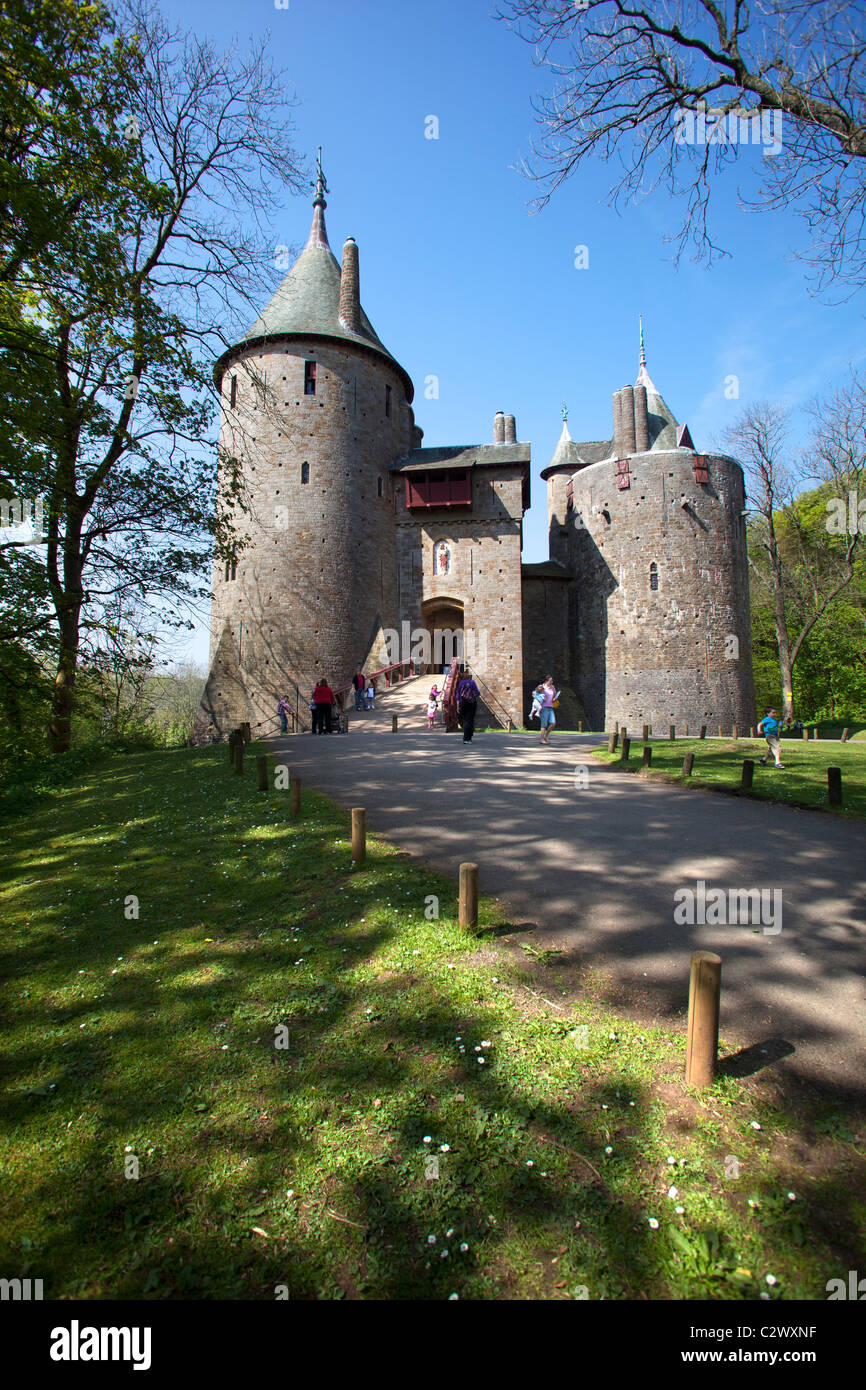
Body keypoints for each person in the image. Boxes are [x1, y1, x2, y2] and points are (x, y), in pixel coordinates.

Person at [456, 670, 480, 743]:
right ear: (469, 676)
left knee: (466, 720)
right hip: (471, 703)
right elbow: (477, 693)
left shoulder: (460, 683)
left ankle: (468, 735)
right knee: (470, 720)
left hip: (463, 703)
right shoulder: (472, 682)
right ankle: (467, 738)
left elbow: (458, 696)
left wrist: (457, 706)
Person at [539, 675, 559, 745]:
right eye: (550, 681)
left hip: (550, 707)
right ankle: (542, 739)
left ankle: (545, 736)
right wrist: (542, 699)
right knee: (544, 724)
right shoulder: (541, 687)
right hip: (543, 707)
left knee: (553, 723)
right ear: (546, 681)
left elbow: (553, 696)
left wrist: (554, 699)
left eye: (552, 681)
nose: (551, 682)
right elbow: (535, 695)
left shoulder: (552, 687)